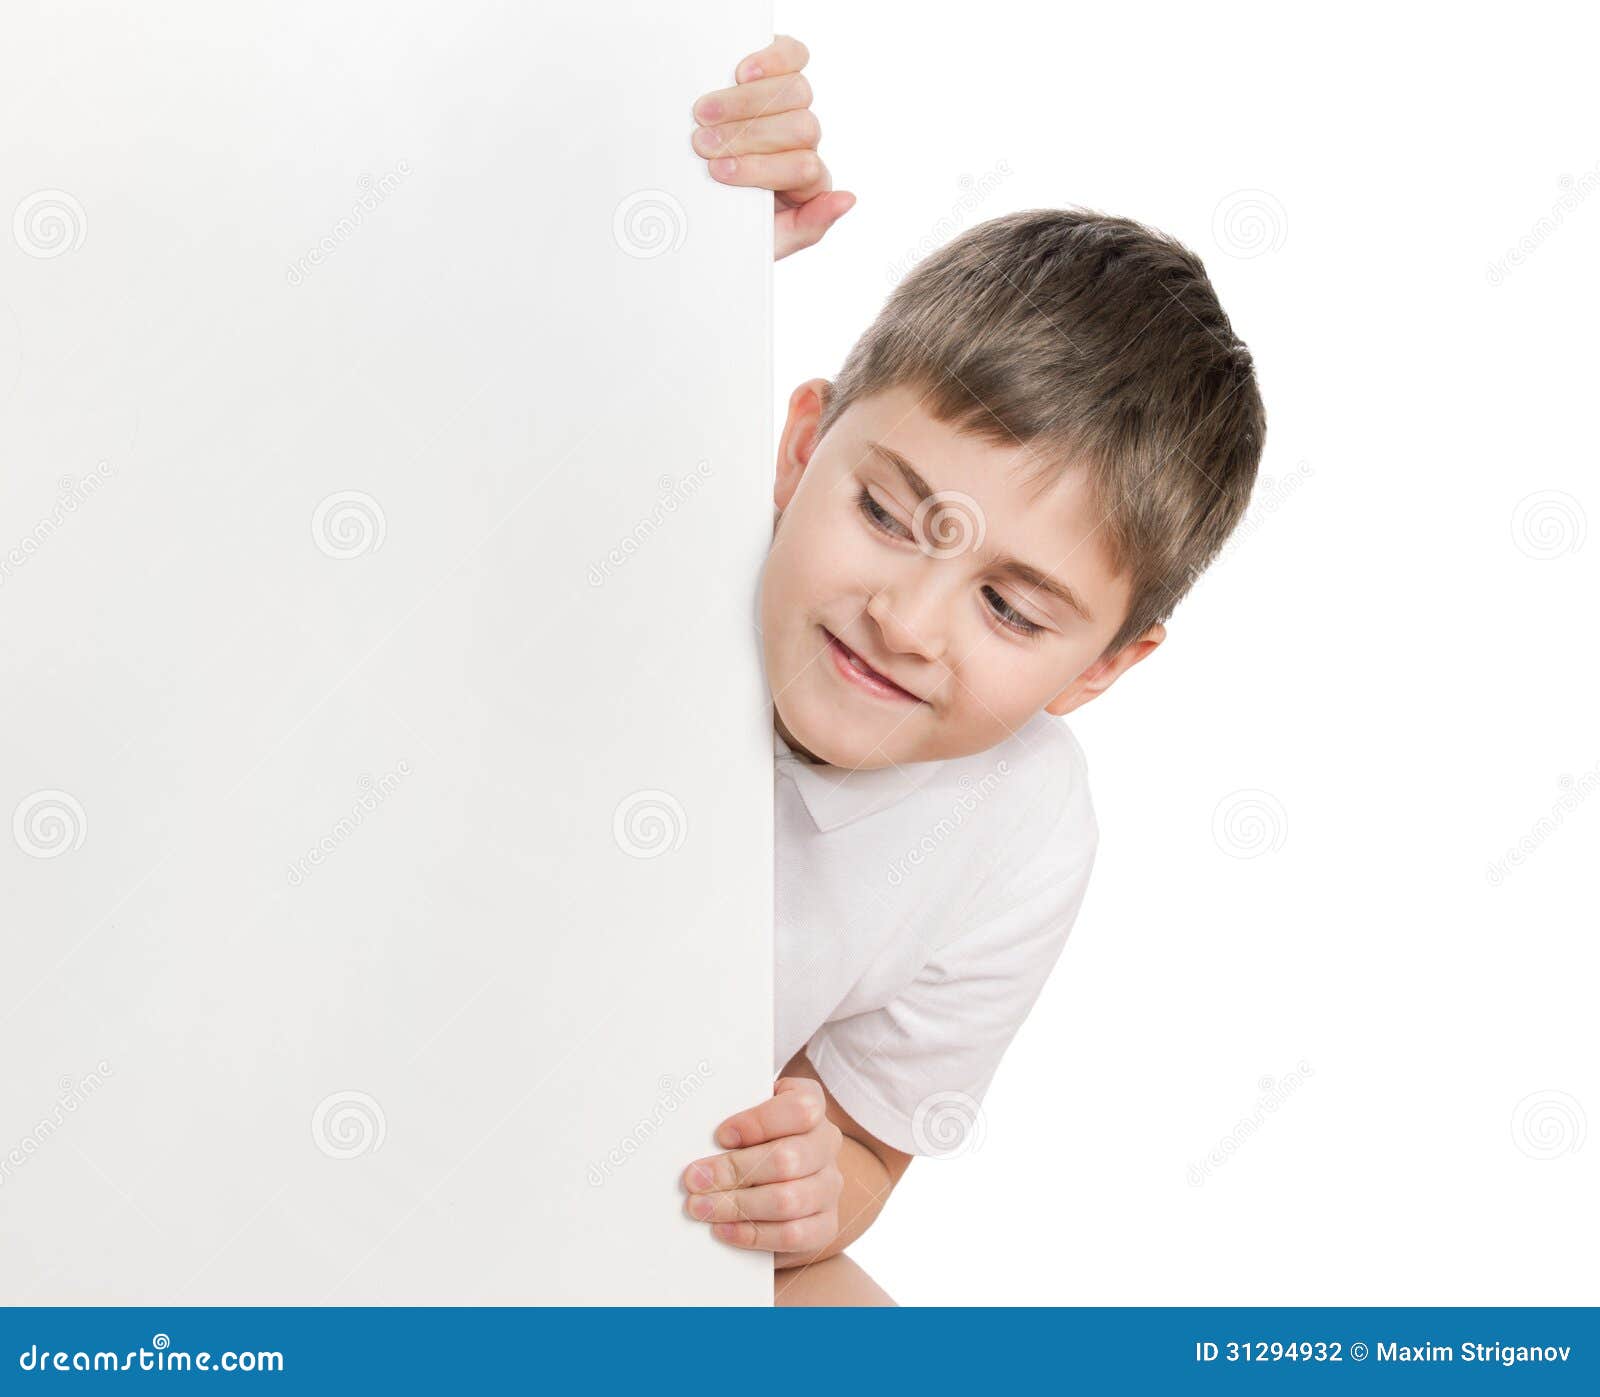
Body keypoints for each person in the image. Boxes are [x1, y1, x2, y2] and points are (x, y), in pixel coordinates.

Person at [683, 35, 1266, 1307]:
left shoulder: (1025, 824)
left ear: (1102, 669)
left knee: (839, 1302)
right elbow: (483, 396)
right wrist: (680, 231)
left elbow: (868, 1143)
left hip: (622, 1196)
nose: (905, 618)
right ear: (799, 447)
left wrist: (805, 1183)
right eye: (889, 515)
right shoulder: (654, 539)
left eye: (1008, 605)